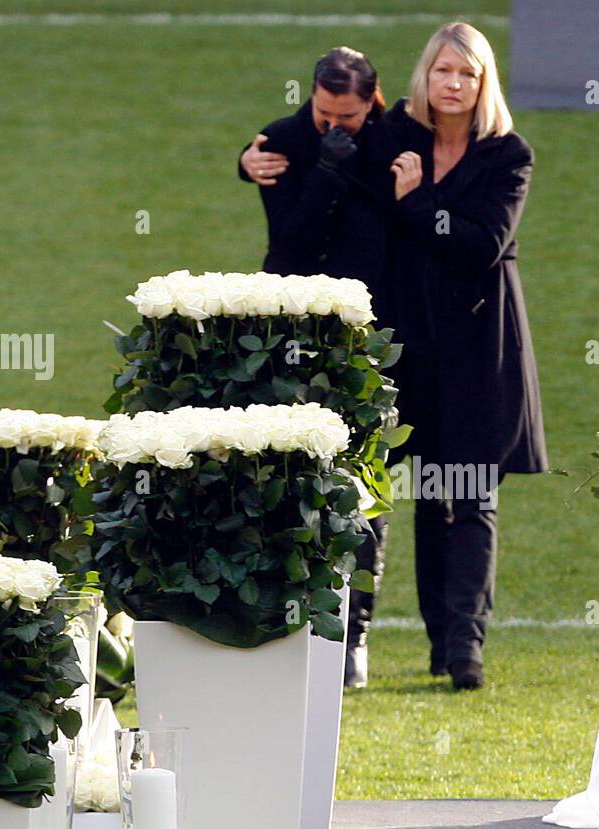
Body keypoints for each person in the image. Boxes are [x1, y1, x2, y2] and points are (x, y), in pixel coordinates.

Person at [383, 23, 548, 690]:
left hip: (483, 347)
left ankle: (467, 650)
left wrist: (417, 205)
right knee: (429, 494)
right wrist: (253, 159)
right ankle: (438, 644)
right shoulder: (398, 136)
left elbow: (482, 244)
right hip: (415, 346)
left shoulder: (509, 155)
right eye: (443, 71)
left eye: (467, 74)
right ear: (425, 77)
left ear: (484, 84)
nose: (453, 84)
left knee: (473, 494)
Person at [237, 47, 396, 689]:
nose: (335, 125)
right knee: (287, 475)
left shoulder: (393, 139)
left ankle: (352, 635)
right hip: (293, 330)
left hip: (372, 335)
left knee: (365, 484)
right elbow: (292, 245)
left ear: (372, 101)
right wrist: (327, 169)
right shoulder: (280, 141)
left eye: (349, 116)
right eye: (324, 111)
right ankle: (284, 622)